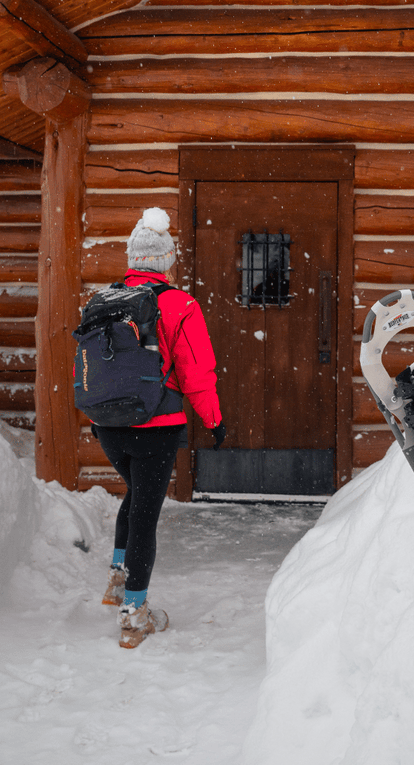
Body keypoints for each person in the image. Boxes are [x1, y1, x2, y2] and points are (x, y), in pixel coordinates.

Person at [95, 207, 226, 649]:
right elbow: (196, 372)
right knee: (146, 514)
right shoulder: (179, 304)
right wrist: (214, 419)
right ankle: (134, 616)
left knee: (135, 496)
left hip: (108, 425)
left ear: (133, 258)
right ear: (167, 260)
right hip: (156, 427)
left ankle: (117, 582)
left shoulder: (104, 300)